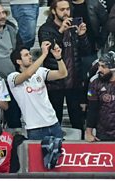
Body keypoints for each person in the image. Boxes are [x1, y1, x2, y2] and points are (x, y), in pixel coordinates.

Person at [37, 0, 90, 130]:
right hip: (55, 82)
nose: (66, 12)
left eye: (67, 9)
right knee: (55, 118)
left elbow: (86, 52)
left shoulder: (73, 28)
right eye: (62, 9)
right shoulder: (46, 28)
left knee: (77, 119)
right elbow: (48, 50)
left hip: (74, 80)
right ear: (54, 11)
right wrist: (60, 31)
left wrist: (82, 36)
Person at [9, 42, 68, 140]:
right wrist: (44, 54)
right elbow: (27, 74)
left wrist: (58, 58)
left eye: (30, 54)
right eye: (26, 55)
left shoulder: (40, 72)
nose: (30, 56)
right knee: (38, 156)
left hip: (53, 123)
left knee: (60, 154)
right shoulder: (12, 77)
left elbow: (62, 74)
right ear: (18, 61)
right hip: (35, 128)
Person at [86, 52, 115, 142]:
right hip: (103, 132)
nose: (99, 69)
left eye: (103, 67)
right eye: (99, 66)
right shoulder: (94, 81)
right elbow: (92, 109)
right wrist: (89, 133)